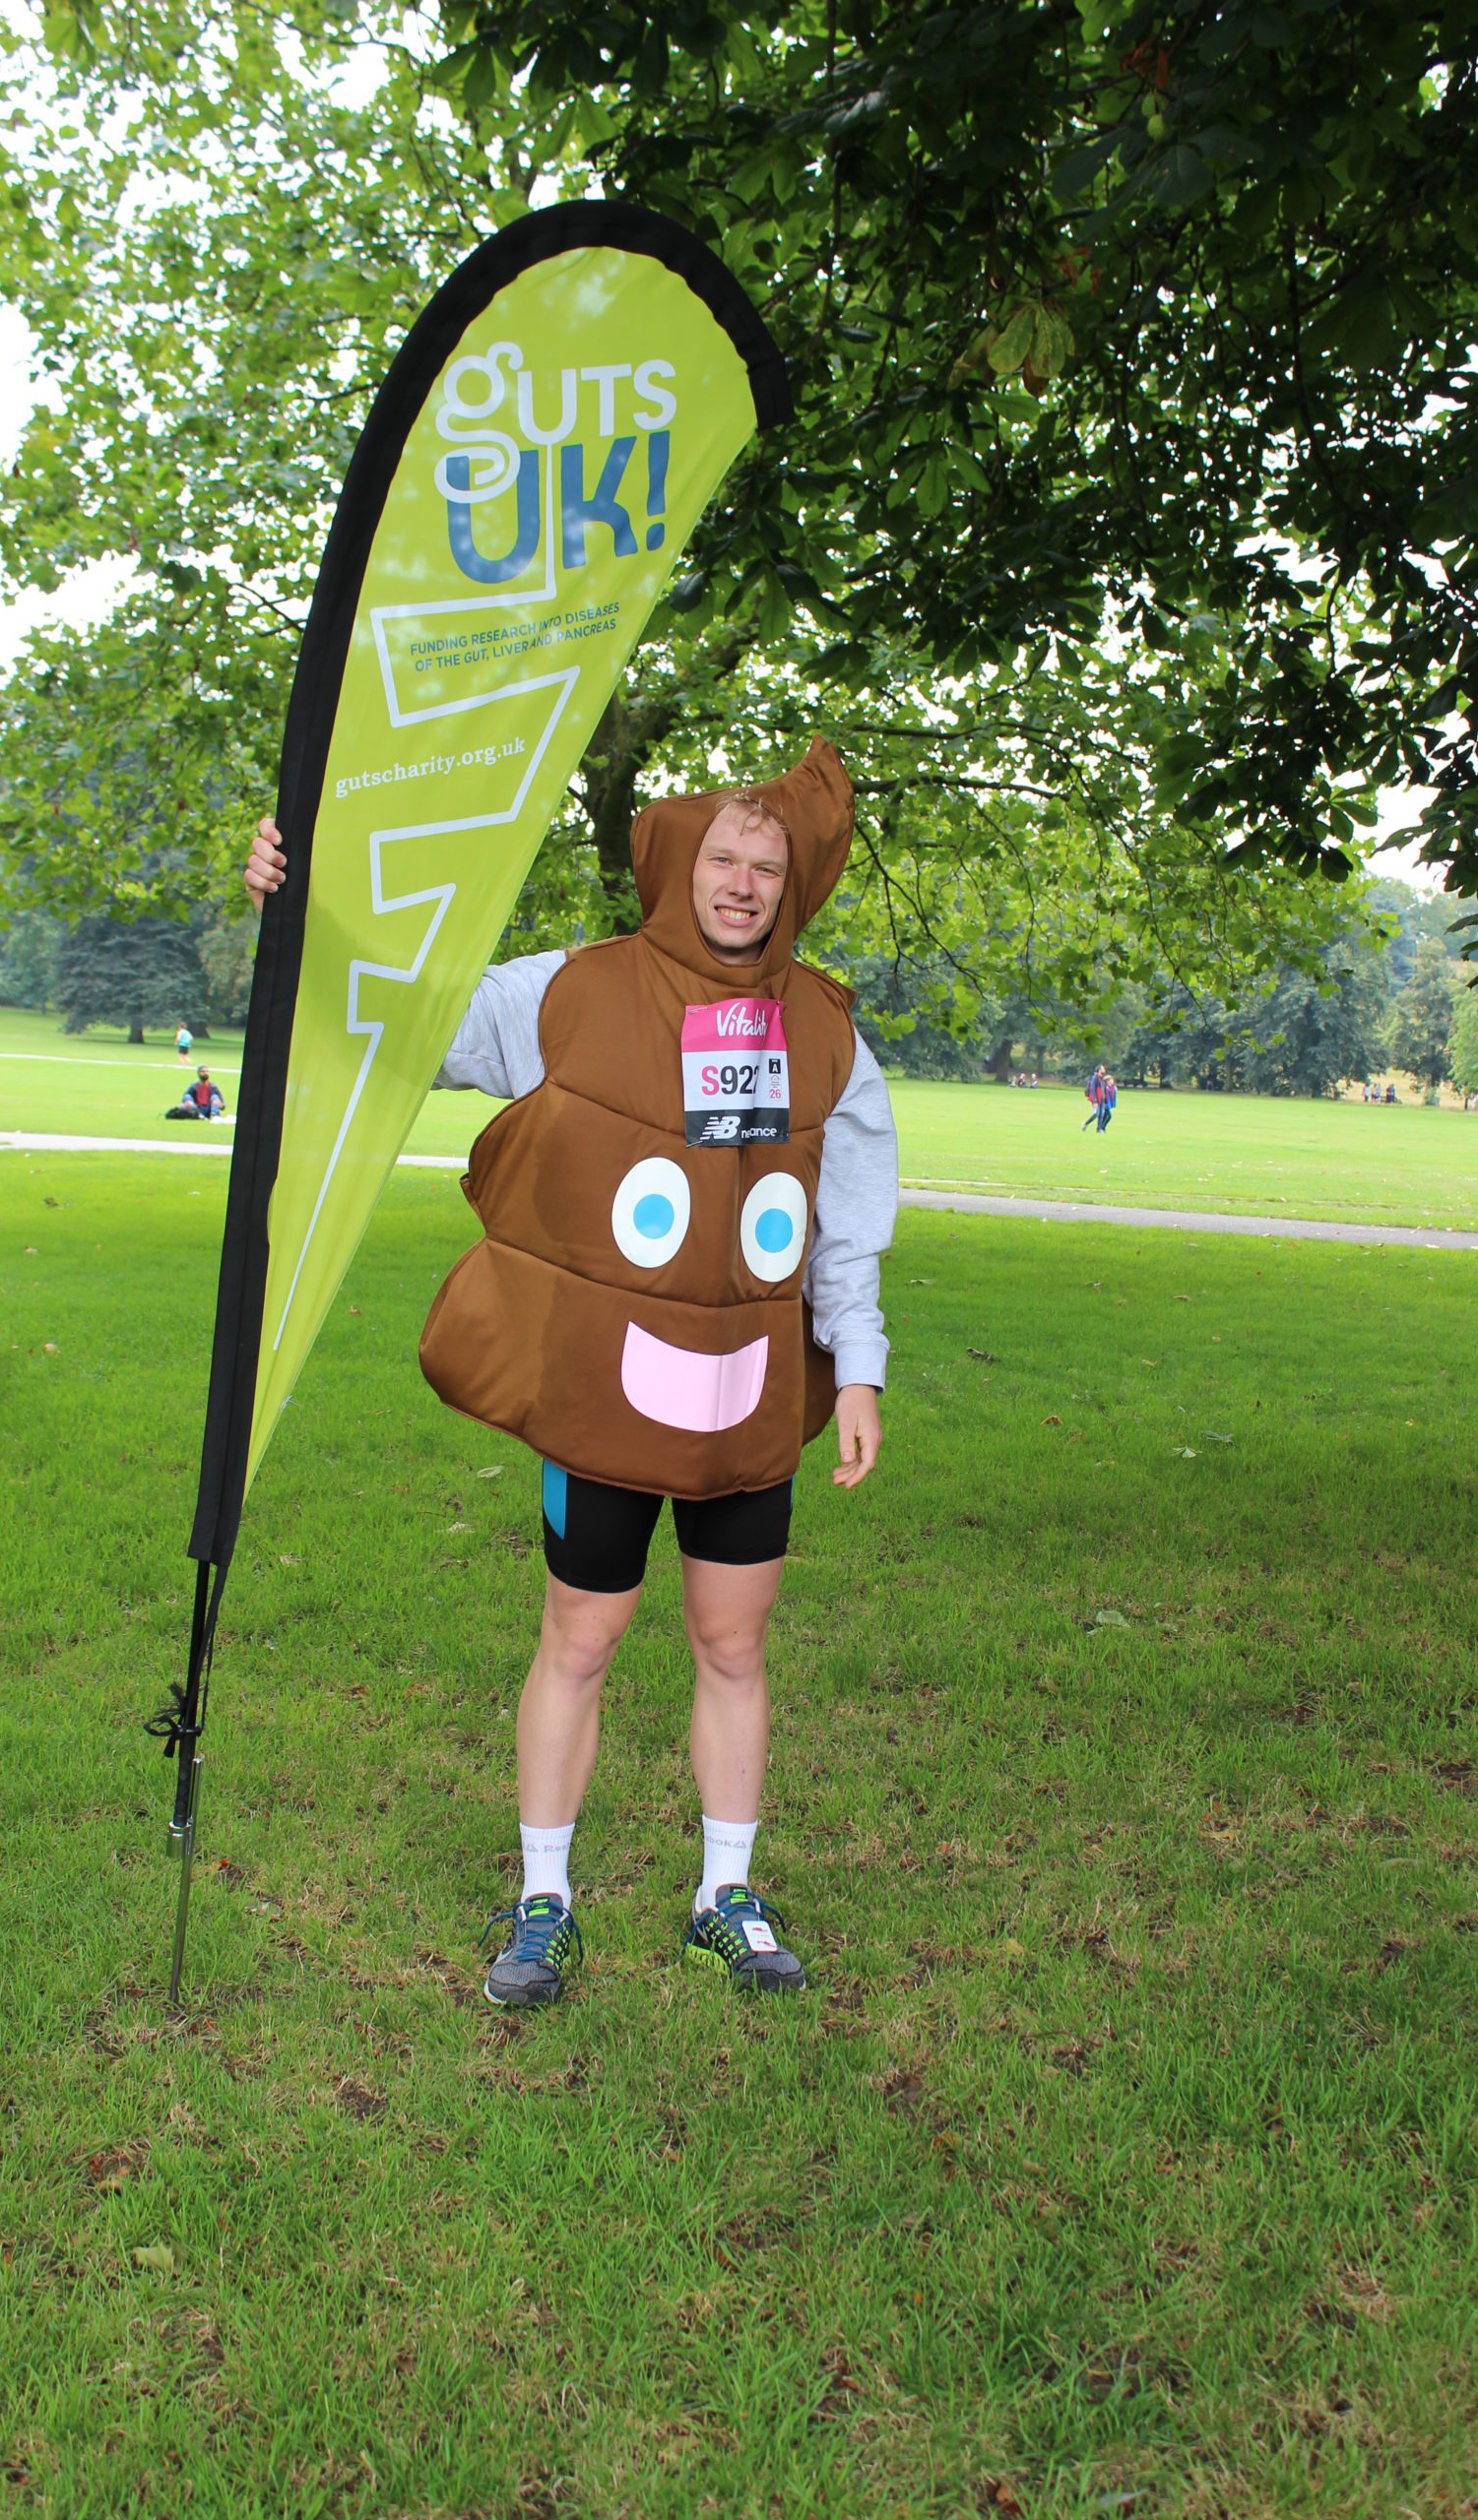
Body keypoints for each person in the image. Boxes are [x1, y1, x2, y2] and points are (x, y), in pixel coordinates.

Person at [243, 739, 896, 2009]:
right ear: (680, 861)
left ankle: (728, 1894)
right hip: (604, 1400)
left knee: (733, 1639)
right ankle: (545, 1897)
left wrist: (856, 1370)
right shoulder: (575, 990)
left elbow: (849, 1219)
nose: (744, 881)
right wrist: (300, 910)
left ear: (796, 882)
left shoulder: (826, 1031)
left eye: (768, 862)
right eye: (724, 854)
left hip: (750, 1399)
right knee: (582, 1633)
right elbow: (407, 1014)